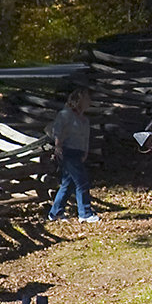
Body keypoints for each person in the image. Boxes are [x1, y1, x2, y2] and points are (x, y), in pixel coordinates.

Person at [46, 89, 99, 223]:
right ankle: (85, 214)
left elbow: (85, 137)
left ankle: (55, 213)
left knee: (68, 184)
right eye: (86, 99)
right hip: (68, 151)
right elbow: (58, 130)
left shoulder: (85, 119)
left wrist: (85, 152)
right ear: (79, 101)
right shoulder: (65, 115)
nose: (89, 102)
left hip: (78, 152)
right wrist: (58, 146)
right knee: (82, 181)